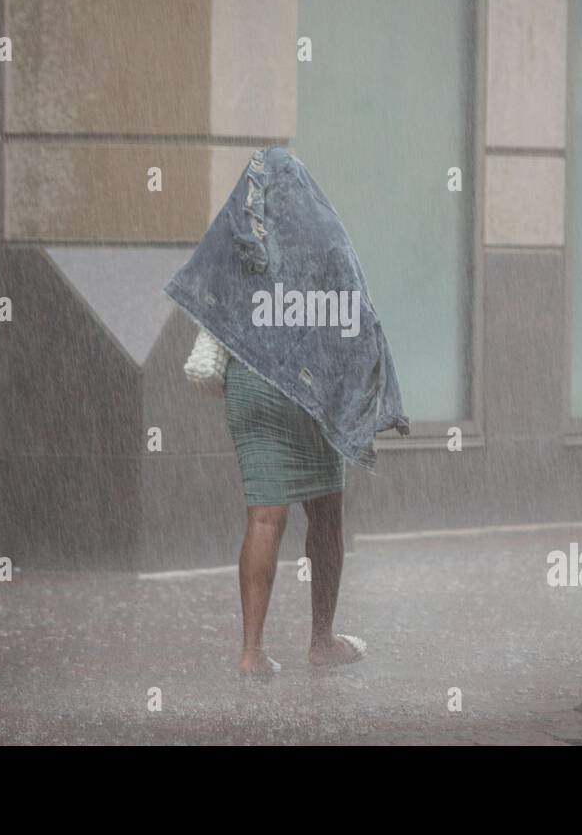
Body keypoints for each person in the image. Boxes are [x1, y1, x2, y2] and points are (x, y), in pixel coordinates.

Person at [164, 147, 408, 679]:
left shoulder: (237, 236)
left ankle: (251, 652)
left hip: (252, 387)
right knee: (325, 516)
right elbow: (356, 317)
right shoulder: (323, 236)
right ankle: (322, 639)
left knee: (263, 517)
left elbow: (211, 299)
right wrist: (371, 391)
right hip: (308, 391)